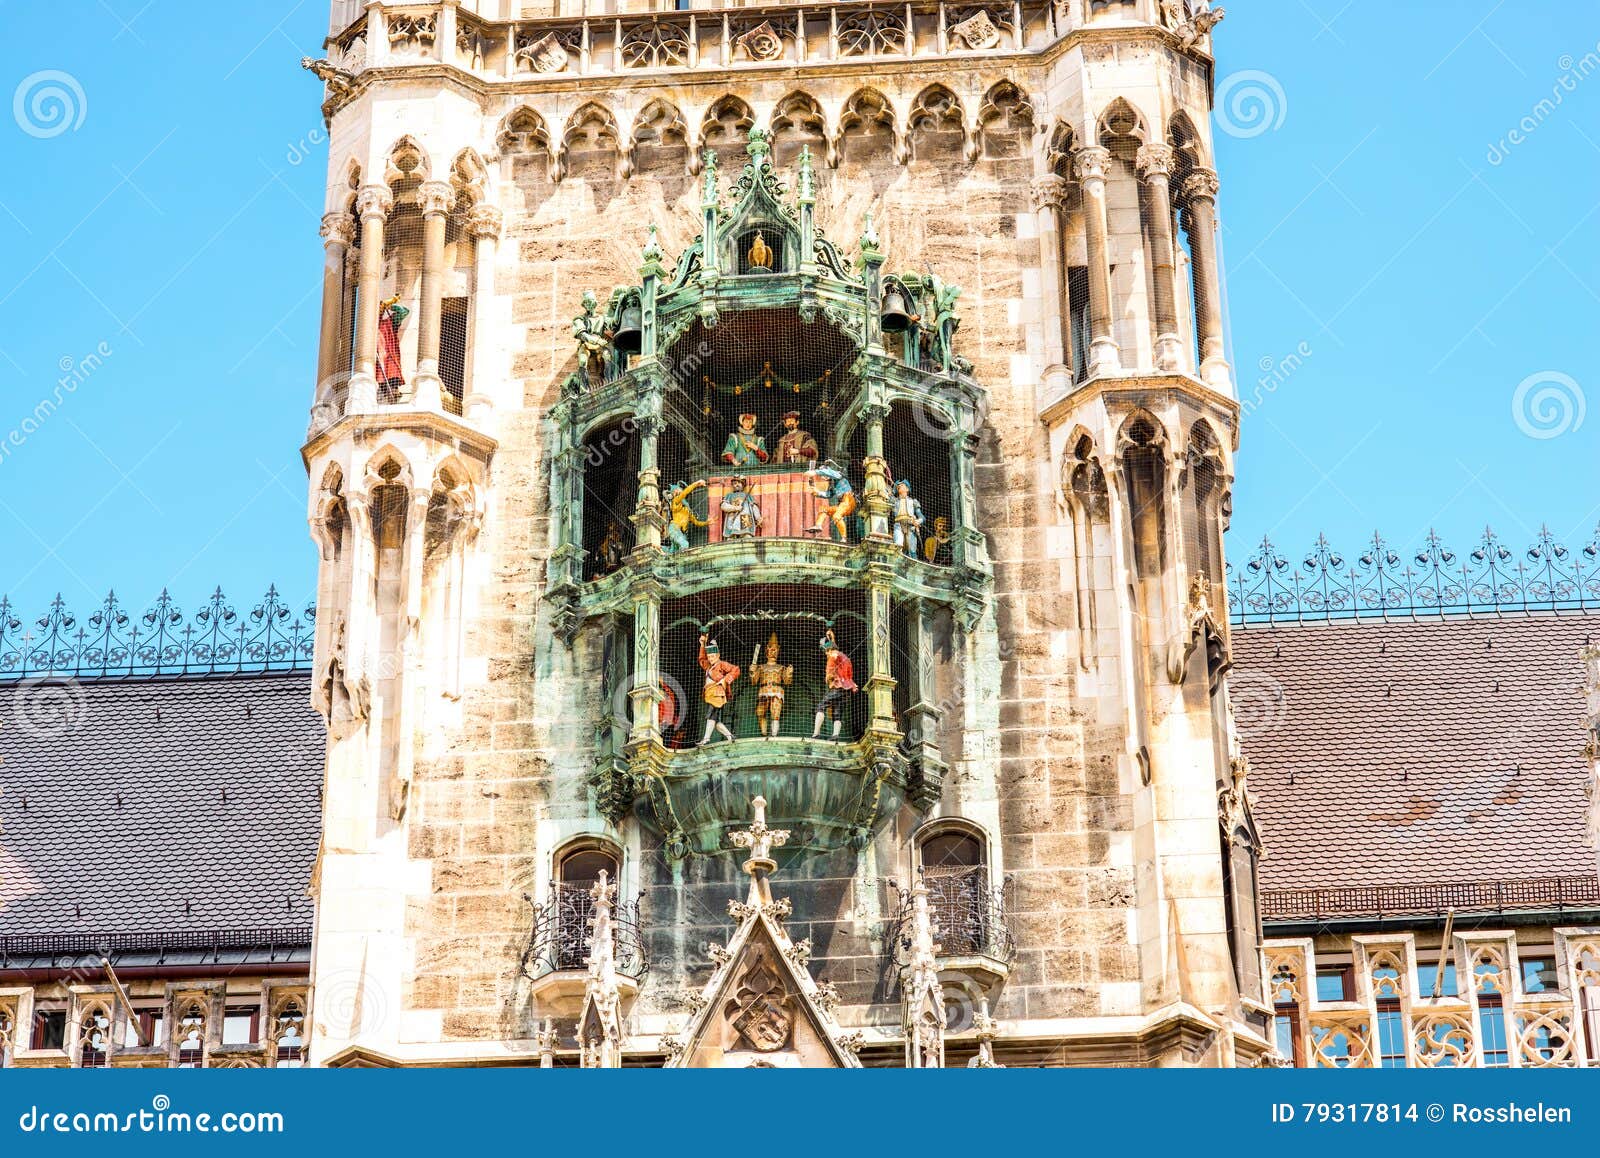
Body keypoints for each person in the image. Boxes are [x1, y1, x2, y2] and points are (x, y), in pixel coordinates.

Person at [812, 629, 858, 740]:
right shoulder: (844, 656)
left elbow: (831, 669)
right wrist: (832, 638)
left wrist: (828, 677)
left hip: (838, 687)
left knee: (820, 706)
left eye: (825, 651)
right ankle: (835, 735)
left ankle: (816, 734)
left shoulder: (832, 655)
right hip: (847, 689)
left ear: (828, 650)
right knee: (837, 713)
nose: (826, 654)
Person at [697, 634, 741, 746]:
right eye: (709, 656)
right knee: (716, 721)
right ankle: (730, 736)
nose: (710, 659)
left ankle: (706, 739)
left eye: (713, 656)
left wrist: (725, 680)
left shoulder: (722, 664)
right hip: (709, 693)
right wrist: (702, 644)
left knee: (710, 715)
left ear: (718, 655)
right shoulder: (708, 666)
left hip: (717, 693)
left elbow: (736, 669)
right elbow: (702, 659)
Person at [749, 632, 793, 738]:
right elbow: (754, 681)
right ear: (766, 650)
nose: (773, 651)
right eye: (771, 649)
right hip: (763, 690)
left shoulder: (781, 667)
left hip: (776, 690)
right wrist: (752, 672)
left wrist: (789, 673)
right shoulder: (761, 667)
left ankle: (774, 735)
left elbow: (787, 681)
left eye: (775, 649)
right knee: (760, 712)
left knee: (775, 713)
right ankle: (764, 734)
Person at [805, 460, 856, 543]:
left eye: (824, 475)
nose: (823, 477)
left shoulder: (837, 474)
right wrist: (816, 492)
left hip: (848, 500)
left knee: (836, 516)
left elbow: (830, 473)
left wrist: (815, 472)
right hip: (842, 504)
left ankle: (844, 538)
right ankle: (818, 525)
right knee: (823, 509)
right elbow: (828, 494)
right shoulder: (832, 484)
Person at [377, 294, 410, 402]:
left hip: (390, 355)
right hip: (379, 358)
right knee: (380, 374)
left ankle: (394, 390)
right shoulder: (371, 328)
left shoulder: (389, 323)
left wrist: (390, 305)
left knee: (392, 371)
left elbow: (404, 311)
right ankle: (385, 392)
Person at [664, 480, 708, 554]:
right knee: (684, 545)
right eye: (676, 491)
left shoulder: (687, 511)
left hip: (681, 533)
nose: (678, 492)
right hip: (675, 529)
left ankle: (661, 548)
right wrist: (696, 483)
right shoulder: (676, 501)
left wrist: (707, 522)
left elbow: (696, 522)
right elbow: (685, 492)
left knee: (673, 551)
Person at [891, 479, 924, 557]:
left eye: (902, 485)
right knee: (898, 546)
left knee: (912, 550)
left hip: (910, 526)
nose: (900, 486)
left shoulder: (913, 501)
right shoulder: (894, 501)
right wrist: (892, 490)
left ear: (907, 489)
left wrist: (918, 521)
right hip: (898, 525)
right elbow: (888, 496)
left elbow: (922, 517)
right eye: (898, 486)